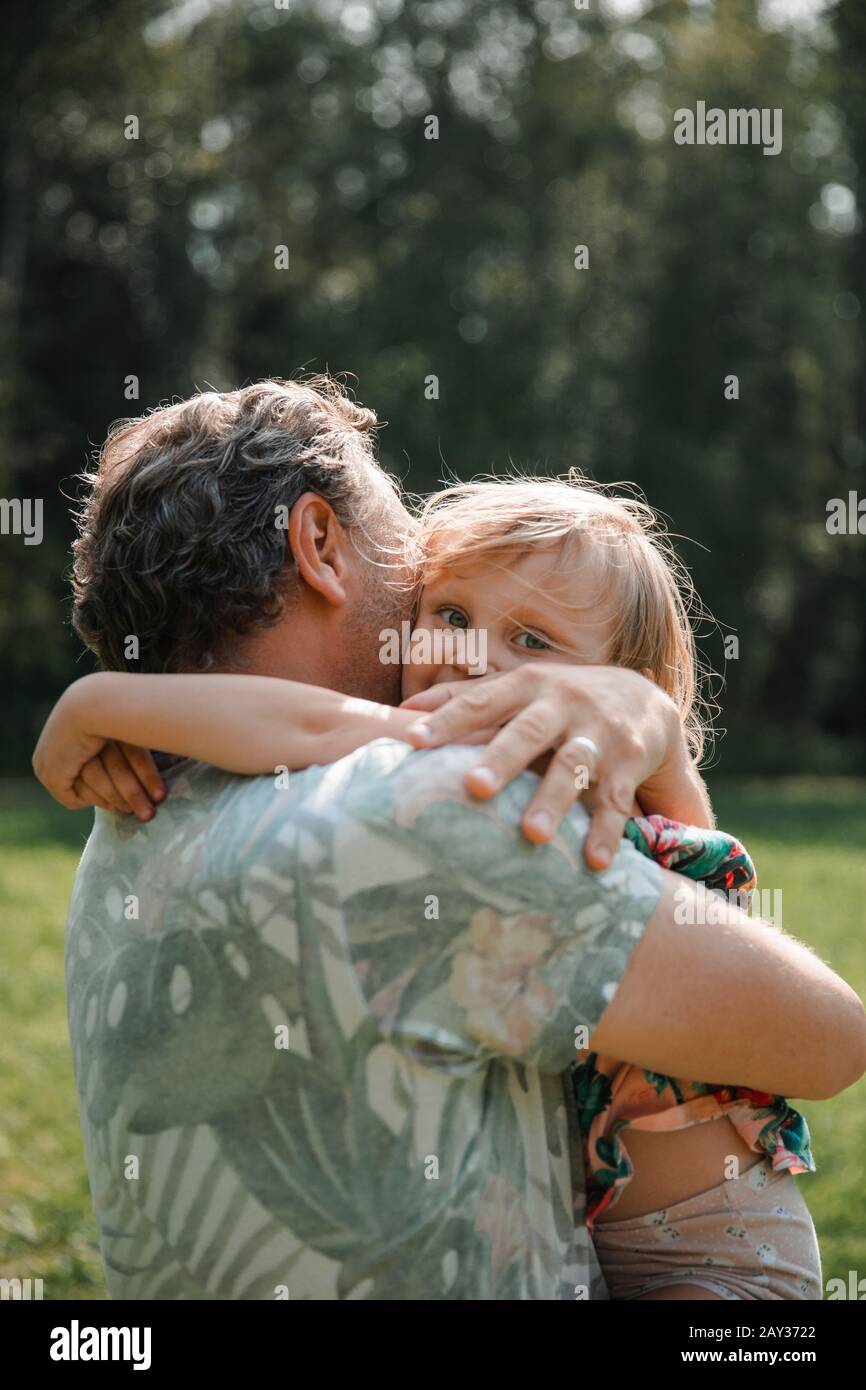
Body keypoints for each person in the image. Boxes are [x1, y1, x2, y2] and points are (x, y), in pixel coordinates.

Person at [36, 377, 866, 1299]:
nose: (475, 657)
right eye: (452, 610)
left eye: (536, 640)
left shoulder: (128, 825)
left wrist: (106, 697)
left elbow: (818, 1028)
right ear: (318, 545)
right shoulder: (436, 803)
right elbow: (827, 1040)